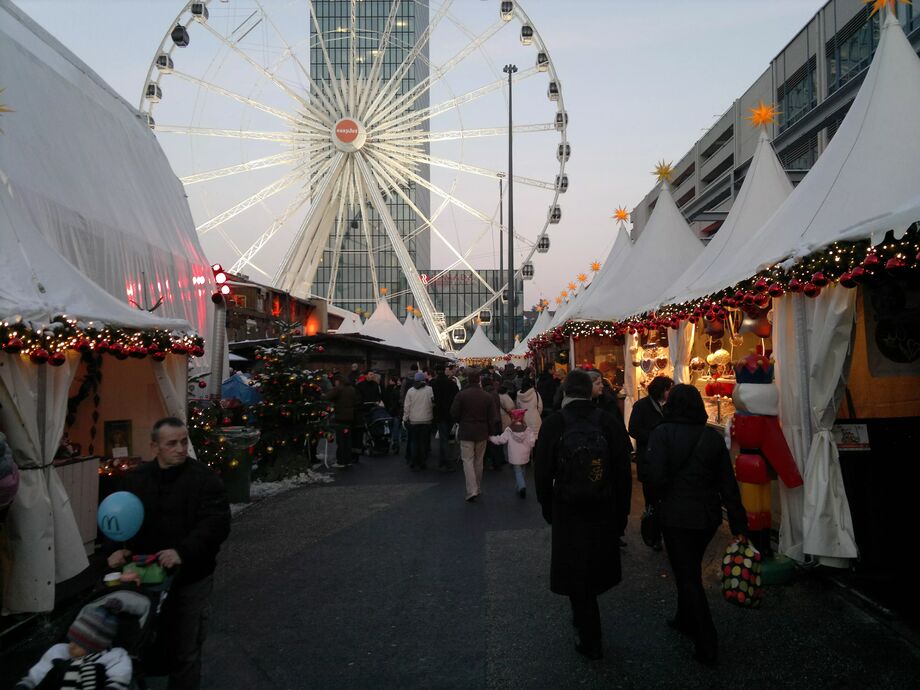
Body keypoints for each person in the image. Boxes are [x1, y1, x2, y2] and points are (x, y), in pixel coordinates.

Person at [107, 418, 230, 689]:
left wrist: (182, 552)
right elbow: (118, 519)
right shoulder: (135, 480)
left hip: (190, 577)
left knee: (185, 648)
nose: (180, 448)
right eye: (171, 443)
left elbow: (216, 523)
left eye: (184, 442)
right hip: (144, 579)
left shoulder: (204, 479)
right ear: (155, 447)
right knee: (138, 644)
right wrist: (117, 549)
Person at [644, 384, 748, 667]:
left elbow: (653, 476)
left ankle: (706, 639)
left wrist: (655, 502)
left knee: (687, 575)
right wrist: (738, 522)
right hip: (707, 516)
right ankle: (684, 617)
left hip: (676, 516)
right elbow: (728, 482)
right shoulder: (710, 437)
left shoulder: (662, 433)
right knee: (687, 567)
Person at [534, 370, 632, 661]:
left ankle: (587, 629)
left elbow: (542, 473)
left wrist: (547, 507)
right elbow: (623, 472)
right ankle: (588, 621)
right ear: (590, 391)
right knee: (597, 564)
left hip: (568, 508)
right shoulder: (608, 422)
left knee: (574, 566)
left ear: (565, 392)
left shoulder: (554, 423)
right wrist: (622, 513)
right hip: (603, 505)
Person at [16, 599, 131, 689]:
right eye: (71, 640)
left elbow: (120, 675)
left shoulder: (112, 656)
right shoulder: (61, 651)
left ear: (95, 648)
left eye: (78, 644)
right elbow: (41, 670)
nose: (71, 646)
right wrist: (27, 684)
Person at [587, 369, 633, 547]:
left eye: (601, 383)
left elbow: (618, 428)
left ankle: (616, 531)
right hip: (599, 457)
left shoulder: (609, 402)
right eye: (597, 383)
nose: (602, 386)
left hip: (615, 454)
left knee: (617, 493)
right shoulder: (591, 407)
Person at [628, 375, 673, 525]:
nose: (670, 392)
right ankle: (652, 528)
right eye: (668, 389)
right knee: (651, 495)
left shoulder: (670, 406)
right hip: (648, 457)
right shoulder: (641, 406)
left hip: (667, 459)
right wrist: (655, 438)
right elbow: (633, 429)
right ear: (661, 390)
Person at [450, 371, 499, 502]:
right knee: (479, 461)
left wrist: (460, 420)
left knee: (467, 460)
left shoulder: (461, 395)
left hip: (466, 430)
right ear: (479, 381)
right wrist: (491, 431)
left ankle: (472, 489)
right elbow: (493, 417)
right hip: (482, 431)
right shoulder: (487, 396)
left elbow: (454, 412)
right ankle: (476, 487)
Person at [488, 408, 536, 498]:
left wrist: (491, 438)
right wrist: (530, 447)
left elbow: (501, 440)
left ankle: (522, 487)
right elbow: (532, 441)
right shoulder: (527, 429)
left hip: (515, 456)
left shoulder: (509, 430)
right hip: (525, 455)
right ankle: (519, 487)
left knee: (518, 471)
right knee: (522, 470)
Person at [326, 374, 360, 467]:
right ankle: (348, 460)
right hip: (350, 417)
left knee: (341, 440)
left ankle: (341, 461)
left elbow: (327, 397)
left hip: (340, 417)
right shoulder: (352, 389)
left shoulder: (338, 389)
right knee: (348, 440)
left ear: (338, 381)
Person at [403, 371, 434, 471]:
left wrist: (405, 418)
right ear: (424, 380)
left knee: (413, 441)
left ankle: (413, 460)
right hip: (426, 420)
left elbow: (407, 406)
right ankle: (422, 462)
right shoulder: (429, 390)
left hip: (413, 420)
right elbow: (433, 404)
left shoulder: (410, 391)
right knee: (423, 442)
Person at [431, 365, 459, 471]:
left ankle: (446, 461)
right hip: (450, 414)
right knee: (445, 437)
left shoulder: (433, 384)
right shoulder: (452, 384)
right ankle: (443, 460)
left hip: (439, 414)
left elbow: (432, 400)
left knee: (443, 438)